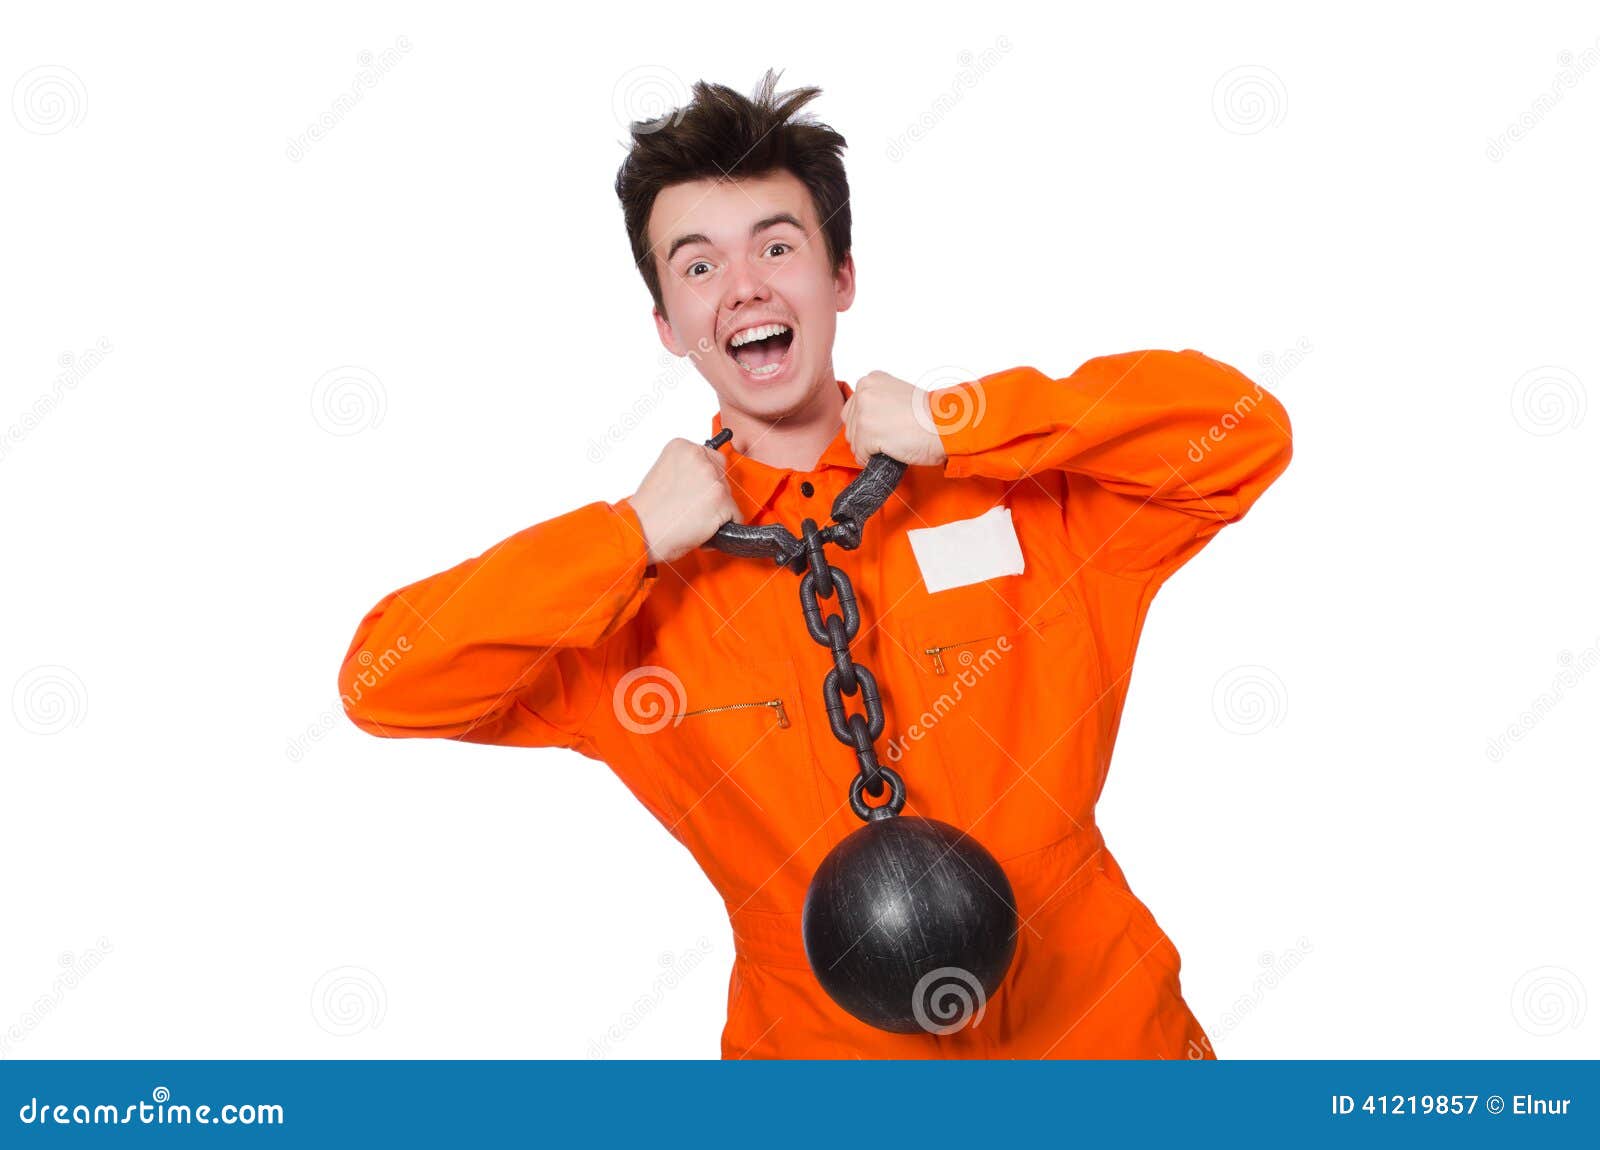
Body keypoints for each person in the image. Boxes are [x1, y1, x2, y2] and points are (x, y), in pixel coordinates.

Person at [338, 69, 1293, 1059]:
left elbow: (1240, 434)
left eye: (777, 245)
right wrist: (625, 535)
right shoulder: (624, 612)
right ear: (668, 325)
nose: (745, 285)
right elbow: (383, 682)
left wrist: (962, 423)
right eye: (698, 266)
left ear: (839, 278)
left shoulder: (1026, 501)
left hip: (1104, 1051)